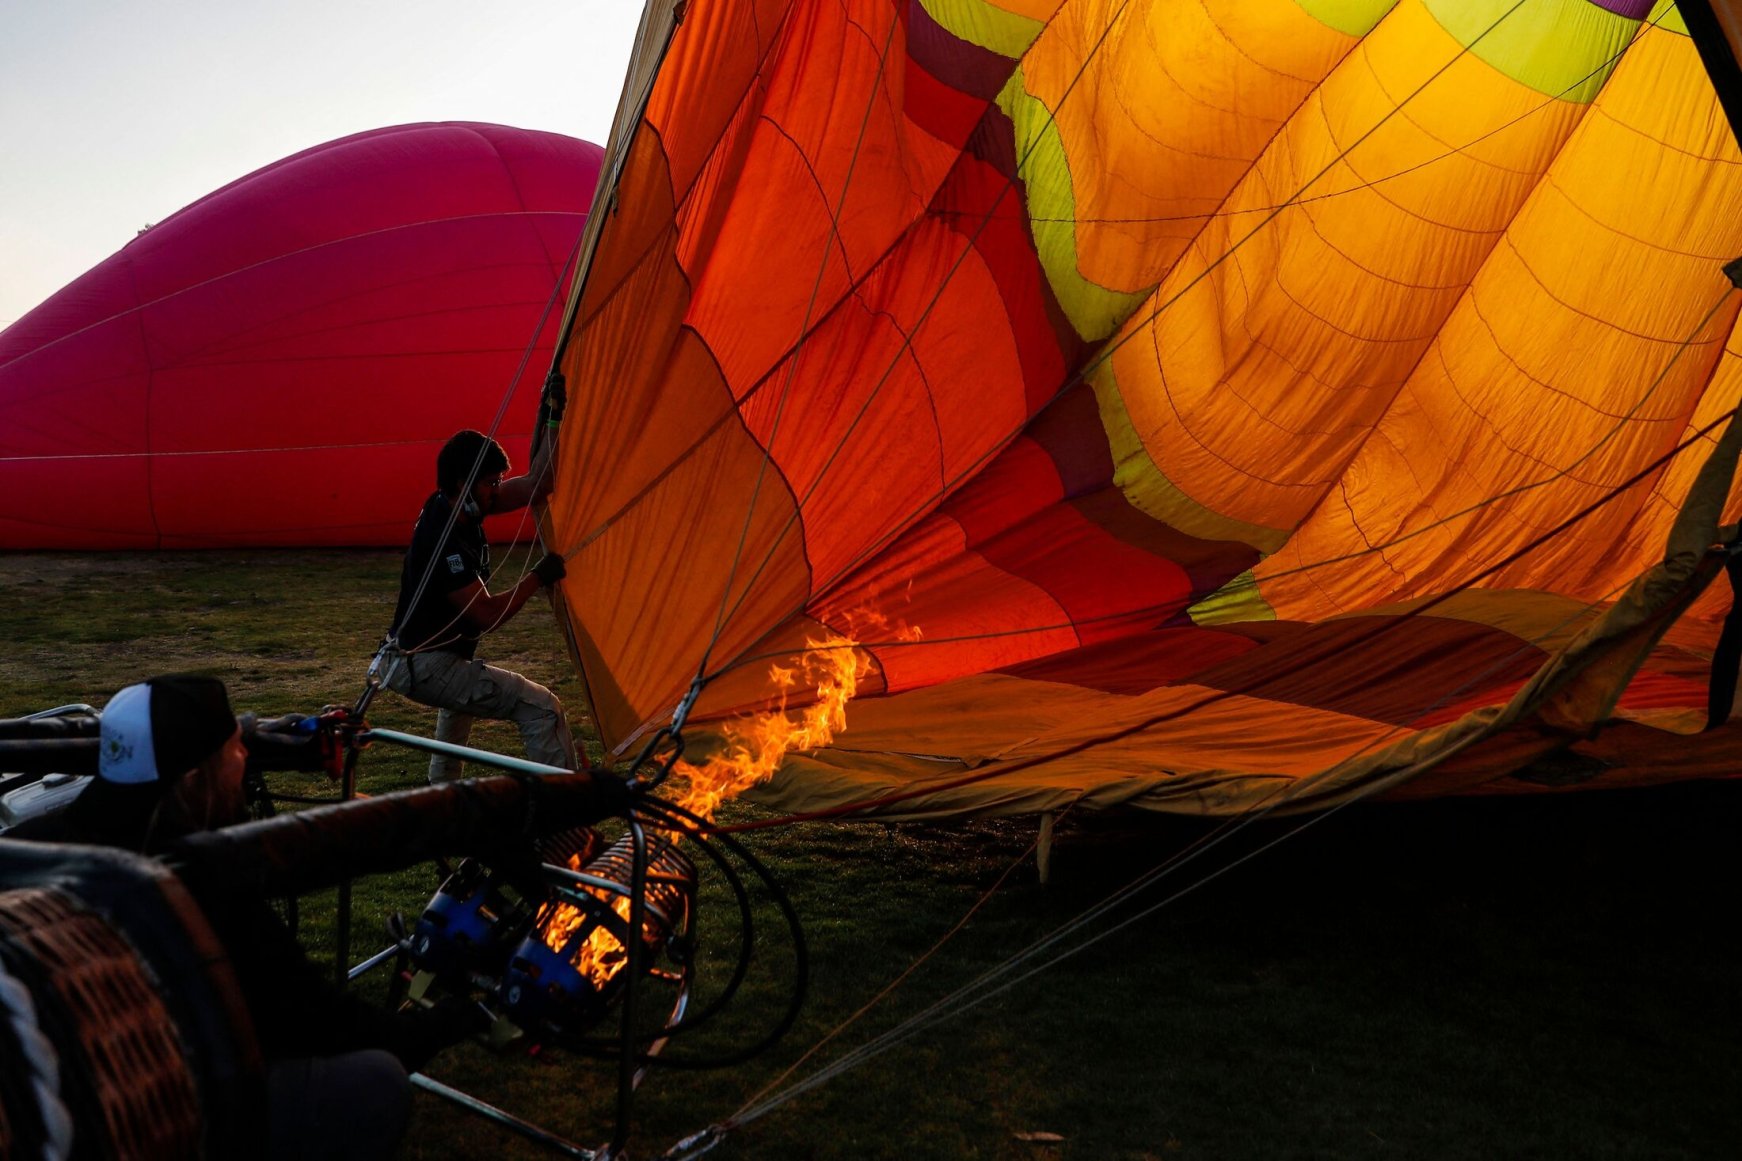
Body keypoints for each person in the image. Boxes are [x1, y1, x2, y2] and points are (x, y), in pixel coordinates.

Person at [36, 675, 479, 1161]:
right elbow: (327, 1022)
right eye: (233, 751)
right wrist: (449, 1021)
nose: (245, 761)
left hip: (53, 1091)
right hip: (152, 1114)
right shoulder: (198, 890)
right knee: (374, 1082)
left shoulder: (41, 844)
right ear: (193, 780)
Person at [383, 385, 576, 781]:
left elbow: (539, 483)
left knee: (453, 730)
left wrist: (550, 417)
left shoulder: (452, 503)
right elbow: (486, 614)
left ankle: (442, 804)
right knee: (542, 708)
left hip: (428, 659)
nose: (495, 492)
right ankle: (563, 816)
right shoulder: (444, 539)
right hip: (426, 665)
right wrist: (538, 577)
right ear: (463, 482)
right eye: (490, 483)